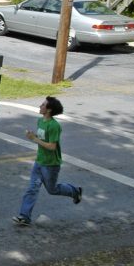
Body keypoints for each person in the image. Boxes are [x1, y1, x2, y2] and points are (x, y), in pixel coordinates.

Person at [12, 96, 82, 226]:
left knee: (52, 190)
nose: (40, 106)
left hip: (51, 165)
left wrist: (34, 139)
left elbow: (52, 146)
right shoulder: (40, 121)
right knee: (32, 189)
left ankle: (75, 191)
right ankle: (24, 216)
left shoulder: (54, 126)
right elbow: (42, 138)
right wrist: (34, 135)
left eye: (43, 105)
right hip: (39, 162)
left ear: (49, 110)